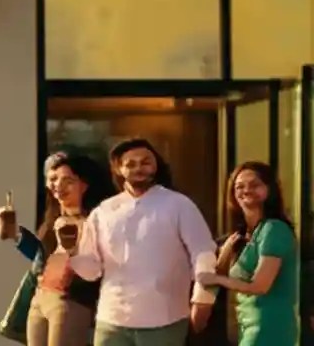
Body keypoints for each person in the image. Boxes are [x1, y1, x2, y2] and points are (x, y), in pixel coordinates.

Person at [65, 138, 218, 345]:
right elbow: (91, 271)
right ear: (119, 169)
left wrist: (203, 299)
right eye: (130, 164)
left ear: (156, 165)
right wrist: (71, 249)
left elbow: (203, 252)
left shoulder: (179, 204)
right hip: (112, 320)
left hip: (166, 319)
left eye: (145, 162)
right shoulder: (104, 211)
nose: (139, 168)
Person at [0, 151, 115, 346]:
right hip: (41, 296)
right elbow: (41, 258)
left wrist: (73, 248)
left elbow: (97, 268)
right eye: (53, 179)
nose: (58, 186)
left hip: (69, 300)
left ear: (85, 185)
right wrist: (16, 234)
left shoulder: (96, 221)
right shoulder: (53, 220)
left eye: (68, 181)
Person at [195, 161, 298, 346]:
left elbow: (260, 286)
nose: (246, 190)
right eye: (239, 186)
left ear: (270, 189)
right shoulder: (243, 236)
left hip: (270, 327)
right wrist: (225, 255)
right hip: (246, 326)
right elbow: (219, 276)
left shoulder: (274, 229)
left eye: (255, 184)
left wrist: (216, 279)